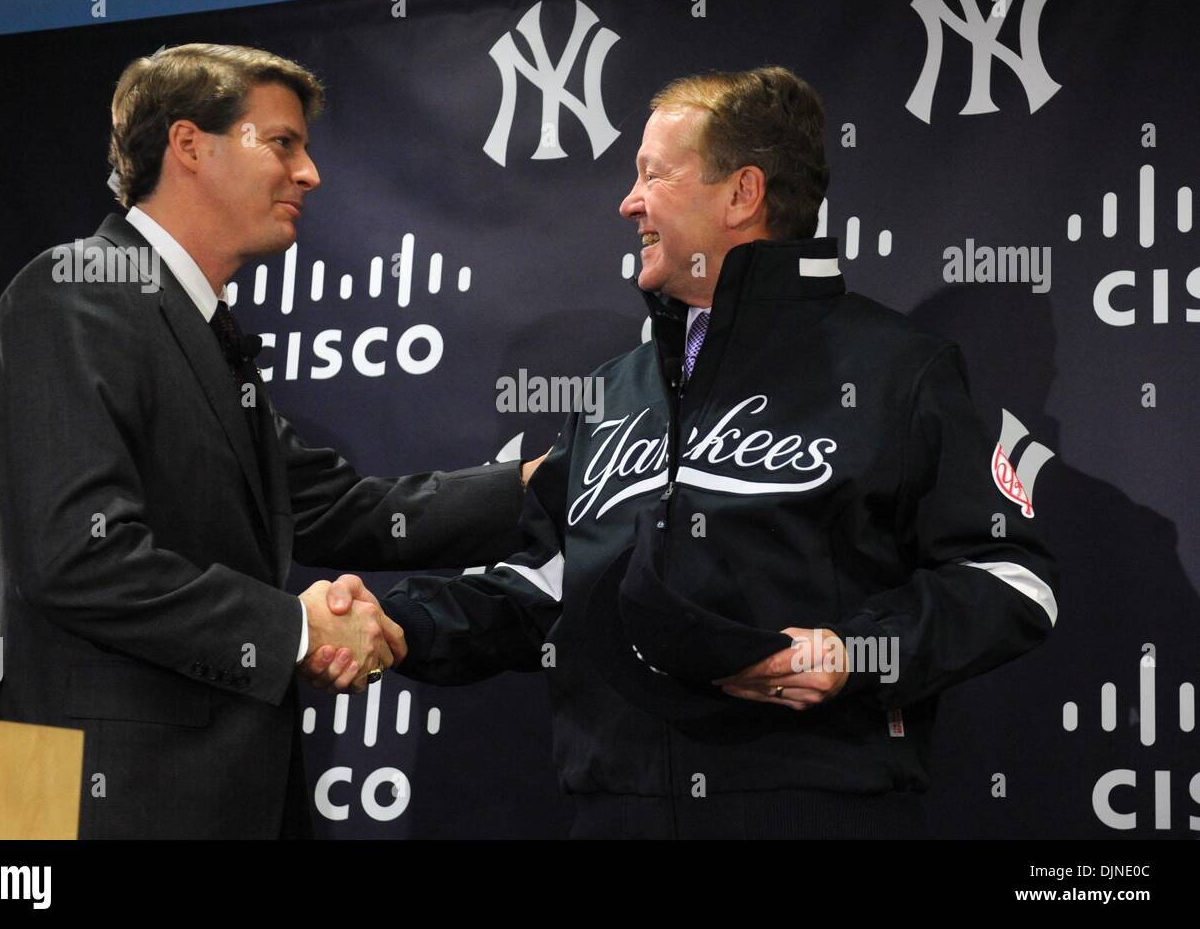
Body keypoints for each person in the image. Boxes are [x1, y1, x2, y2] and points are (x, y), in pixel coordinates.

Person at [316, 64, 1060, 838]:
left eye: (652, 176)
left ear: (742, 194)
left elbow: (1012, 579)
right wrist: (398, 623)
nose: (628, 202)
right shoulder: (618, 389)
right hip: (618, 810)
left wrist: (856, 651)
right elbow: (545, 584)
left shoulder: (898, 369)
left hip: (812, 808)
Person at [0, 43, 538, 839]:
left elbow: (335, 508)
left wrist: (538, 487)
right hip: (90, 802)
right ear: (189, 145)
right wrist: (299, 629)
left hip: (222, 796)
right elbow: (76, 556)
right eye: (282, 142)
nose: (309, 173)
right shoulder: (73, 292)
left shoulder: (199, 328)